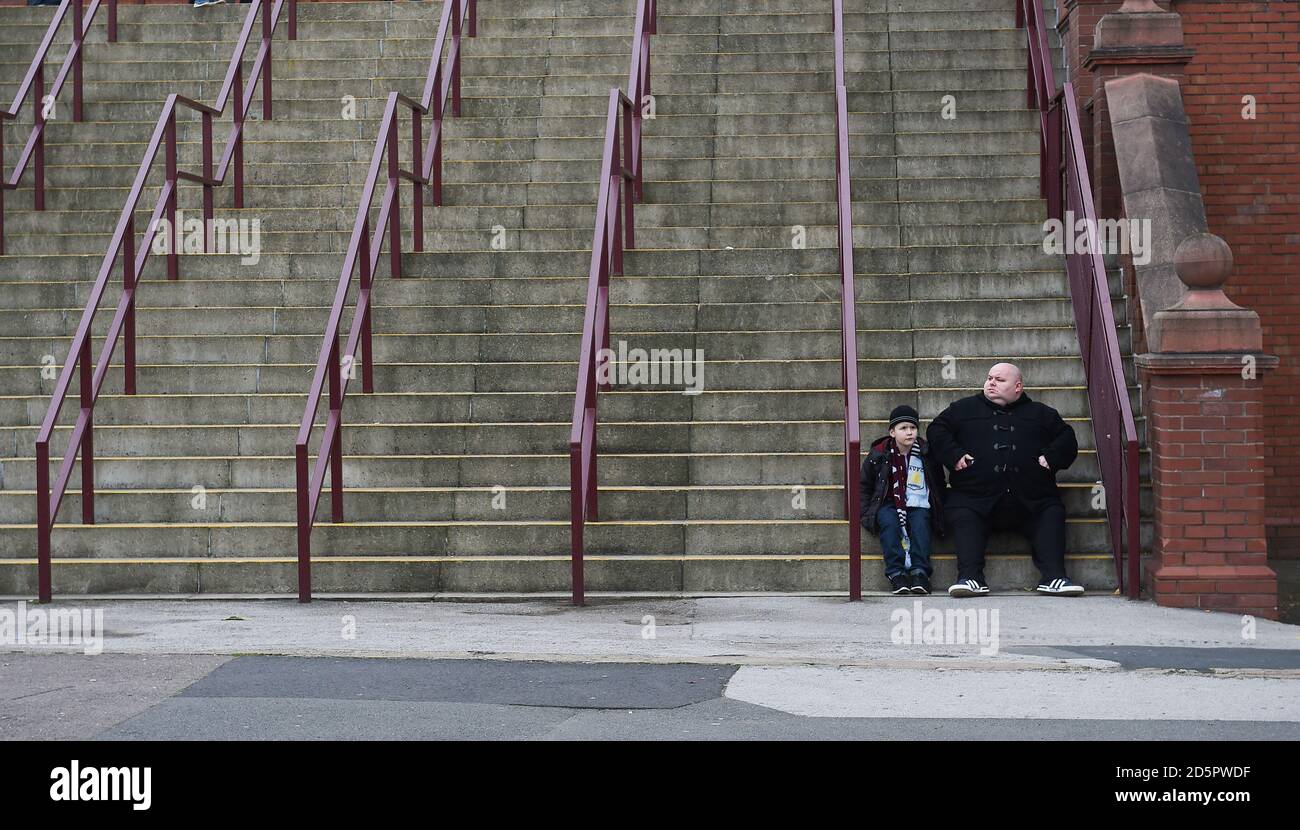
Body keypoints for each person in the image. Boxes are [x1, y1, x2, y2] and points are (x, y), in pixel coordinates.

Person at [926, 362, 1085, 597]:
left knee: (1051, 512)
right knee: (963, 513)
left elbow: (1067, 438)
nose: (991, 383)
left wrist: (1050, 457)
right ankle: (970, 577)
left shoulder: (1041, 413)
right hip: (975, 497)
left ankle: (1054, 577)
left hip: (1032, 497)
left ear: (1017, 386)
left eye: (999, 380)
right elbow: (936, 430)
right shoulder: (962, 409)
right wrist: (955, 454)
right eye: (989, 378)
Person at [860, 405, 946, 595]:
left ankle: (920, 573)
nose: (909, 432)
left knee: (921, 523)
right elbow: (864, 485)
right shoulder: (879, 454)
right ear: (892, 432)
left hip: (919, 502)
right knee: (889, 524)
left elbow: (938, 483)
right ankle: (896, 573)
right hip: (888, 503)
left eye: (913, 428)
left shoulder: (926, 453)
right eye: (903, 428)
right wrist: (865, 512)